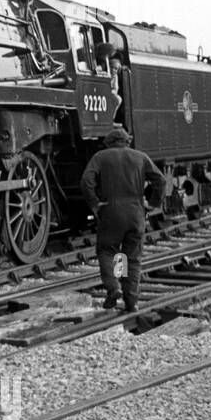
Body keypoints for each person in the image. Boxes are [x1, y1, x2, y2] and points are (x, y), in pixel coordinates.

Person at [80, 128, 165, 311]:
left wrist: (95, 203)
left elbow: (86, 180)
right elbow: (160, 180)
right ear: (128, 141)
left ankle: (113, 287)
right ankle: (131, 302)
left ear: (109, 143)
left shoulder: (100, 157)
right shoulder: (140, 157)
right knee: (131, 258)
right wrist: (152, 204)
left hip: (111, 212)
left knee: (107, 251)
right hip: (136, 214)